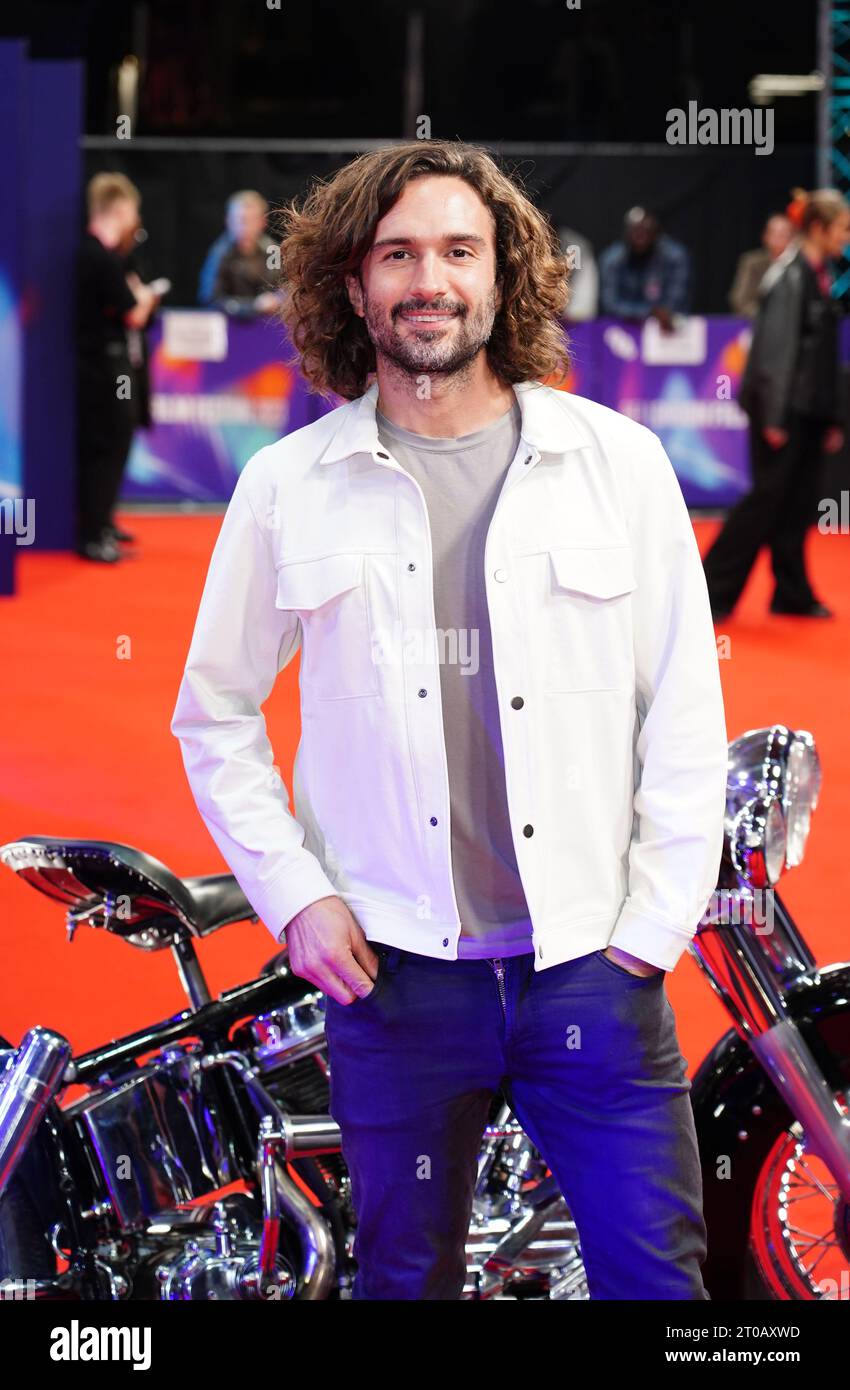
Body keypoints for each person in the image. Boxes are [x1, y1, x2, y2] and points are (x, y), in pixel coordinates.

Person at [170, 140, 729, 1300]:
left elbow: (683, 703)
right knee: (405, 1281)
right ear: (352, 283)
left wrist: (651, 928)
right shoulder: (287, 485)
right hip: (398, 978)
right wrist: (298, 897)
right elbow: (214, 711)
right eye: (398, 253)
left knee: (658, 1283)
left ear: (503, 272)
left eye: (458, 250)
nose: (430, 278)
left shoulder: (616, 466)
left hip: (594, 968)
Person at [703, 187, 850, 620]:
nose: (846, 237)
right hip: (782, 411)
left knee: (796, 503)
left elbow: (816, 354)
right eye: (842, 229)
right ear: (819, 229)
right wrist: (775, 416)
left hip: (807, 410)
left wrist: (829, 416)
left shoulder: (816, 274)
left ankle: (791, 593)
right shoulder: (788, 277)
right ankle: (709, 592)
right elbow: (777, 353)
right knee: (765, 502)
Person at [75, 173, 159, 562]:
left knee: (117, 445)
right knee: (104, 449)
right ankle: (92, 534)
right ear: (120, 210)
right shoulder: (95, 256)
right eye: (133, 211)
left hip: (119, 366)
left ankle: (104, 522)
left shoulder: (116, 257)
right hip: (103, 369)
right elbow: (133, 312)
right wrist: (144, 297)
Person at [598, 206, 690, 329]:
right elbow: (610, 304)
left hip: (667, 327)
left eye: (645, 231)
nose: (640, 238)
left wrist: (664, 313)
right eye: (635, 231)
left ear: (656, 233)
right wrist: (648, 312)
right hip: (625, 327)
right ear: (626, 233)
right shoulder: (612, 259)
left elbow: (677, 299)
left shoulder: (674, 257)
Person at [197, 189, 282, 316]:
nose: (245, 226)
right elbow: (210, 299)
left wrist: (278, 300)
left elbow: (281, 286)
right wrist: (252, 306)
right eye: (240, 219)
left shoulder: (272, 250)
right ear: (228, 220)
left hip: (268, 326)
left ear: (262, 222)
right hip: (232, 326)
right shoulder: (220, 253)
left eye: (251, 220)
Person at [728, 212, 795, 318]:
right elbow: (740, 299)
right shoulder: (752, 263)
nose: (779, 239)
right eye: (775, 234)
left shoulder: (797, 265)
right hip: (758, 324)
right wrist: (766, 317)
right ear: (766, 236)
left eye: (784, 234)